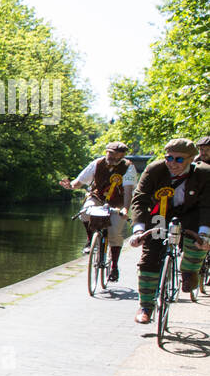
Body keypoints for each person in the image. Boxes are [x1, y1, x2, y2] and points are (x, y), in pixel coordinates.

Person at [128, 138, 210, 321]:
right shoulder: (154, 170)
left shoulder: (204, 173)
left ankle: (190, 272)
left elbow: (207, 206)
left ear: (191, 159)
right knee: (149, 257)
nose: (172, 163)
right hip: (159, 215)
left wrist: (205, 234)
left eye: (179, 159)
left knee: (199, 242)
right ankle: (146, 307)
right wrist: (138, 231)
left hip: (192, 214)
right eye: (169, 158)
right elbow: (140, 200)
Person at [59, 141, 136, 282]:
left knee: (114, 233)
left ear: (122, 156)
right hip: (97, 198)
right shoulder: (97, 163)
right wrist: (70, 186)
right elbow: (81, 181)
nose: (111, 157)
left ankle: (114, 267)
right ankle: (90, 240)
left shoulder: (128, 168)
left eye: (115, 155)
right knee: (85, 212)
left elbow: (128, 192)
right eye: (110, 153)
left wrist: (125, 208)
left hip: (117, 203)